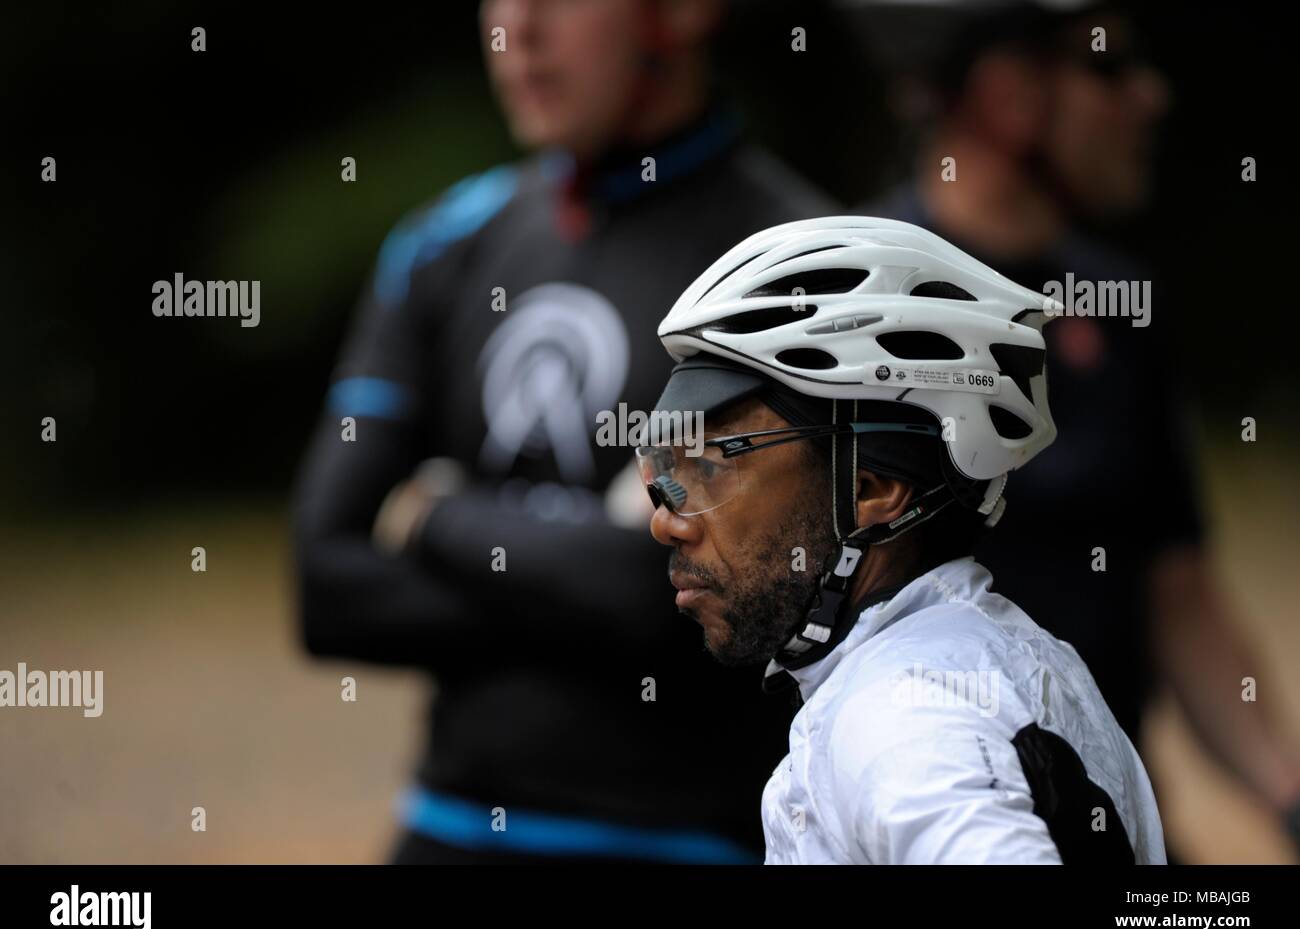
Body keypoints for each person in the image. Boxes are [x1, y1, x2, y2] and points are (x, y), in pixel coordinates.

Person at [292, 0, 835, 863]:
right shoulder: (444, 244)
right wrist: (594, 563)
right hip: (447, 831)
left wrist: (437, 518)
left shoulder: (797, 261)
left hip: (690, 842)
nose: (519, 29)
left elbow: (679, 611)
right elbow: (325, 587)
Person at [848, 0, 1300, 855]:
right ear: (1011, 93)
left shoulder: (1118, 307)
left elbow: (1179, 598)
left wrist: (1288, 794)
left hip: (1100, 825)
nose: (1150, 96)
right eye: (1108, 65)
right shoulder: (857, 297)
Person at [638, 216, 1166, 863]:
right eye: (663, 464)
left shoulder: (903, 715)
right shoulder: (980, 661)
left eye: (714, 461)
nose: (667, 518)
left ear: (871, 486)